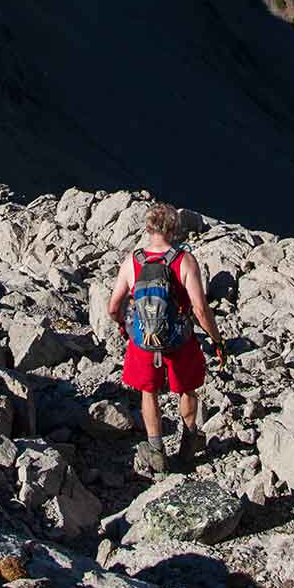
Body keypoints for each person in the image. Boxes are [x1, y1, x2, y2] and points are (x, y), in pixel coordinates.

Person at [107, 202, 226, 472]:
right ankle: (188, 442)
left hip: (144, 340)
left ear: (148, 227)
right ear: (174, 228)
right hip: (179, 340)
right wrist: (216, 339)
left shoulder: (133, 261)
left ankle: (156, 450)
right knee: (187, 389)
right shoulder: (184, 260)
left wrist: (126, 327)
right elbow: (200, 308)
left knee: (149, 392)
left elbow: (114, 307)